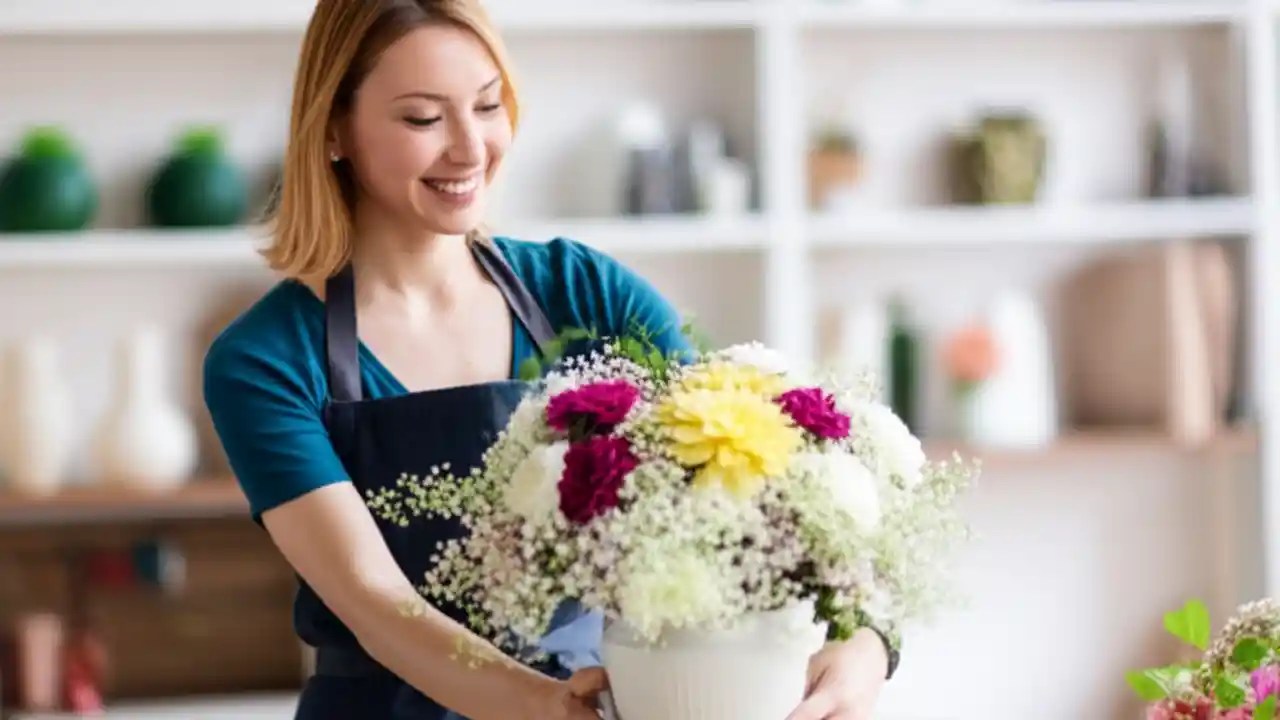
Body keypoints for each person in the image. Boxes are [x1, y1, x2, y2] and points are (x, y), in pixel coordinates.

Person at [202, 1, 897, 719]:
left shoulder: (585, 294)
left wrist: (869, 640)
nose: (471, 149)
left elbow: (754, 479)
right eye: (423, 119)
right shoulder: (265, 360)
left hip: (603, 698)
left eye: (487, 105)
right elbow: (376, 602)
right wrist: (546, 707)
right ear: (335, 130)